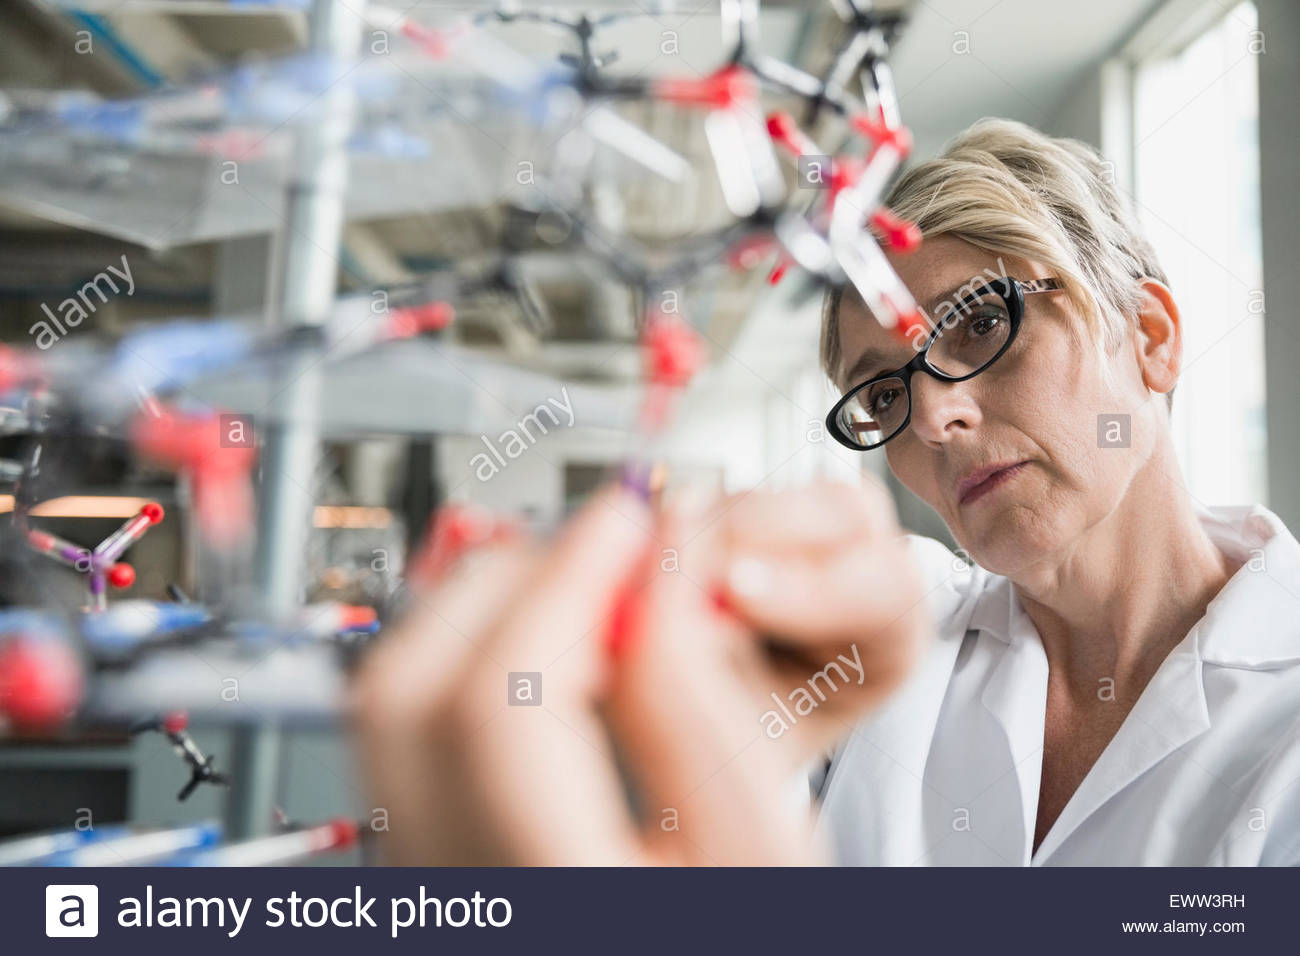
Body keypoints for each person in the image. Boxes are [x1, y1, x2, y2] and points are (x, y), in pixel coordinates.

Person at [352, 118, 1300, 866]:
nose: (933, 419)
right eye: (884, 390)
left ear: (1150, 336)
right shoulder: (893, 638)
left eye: (976, 325)